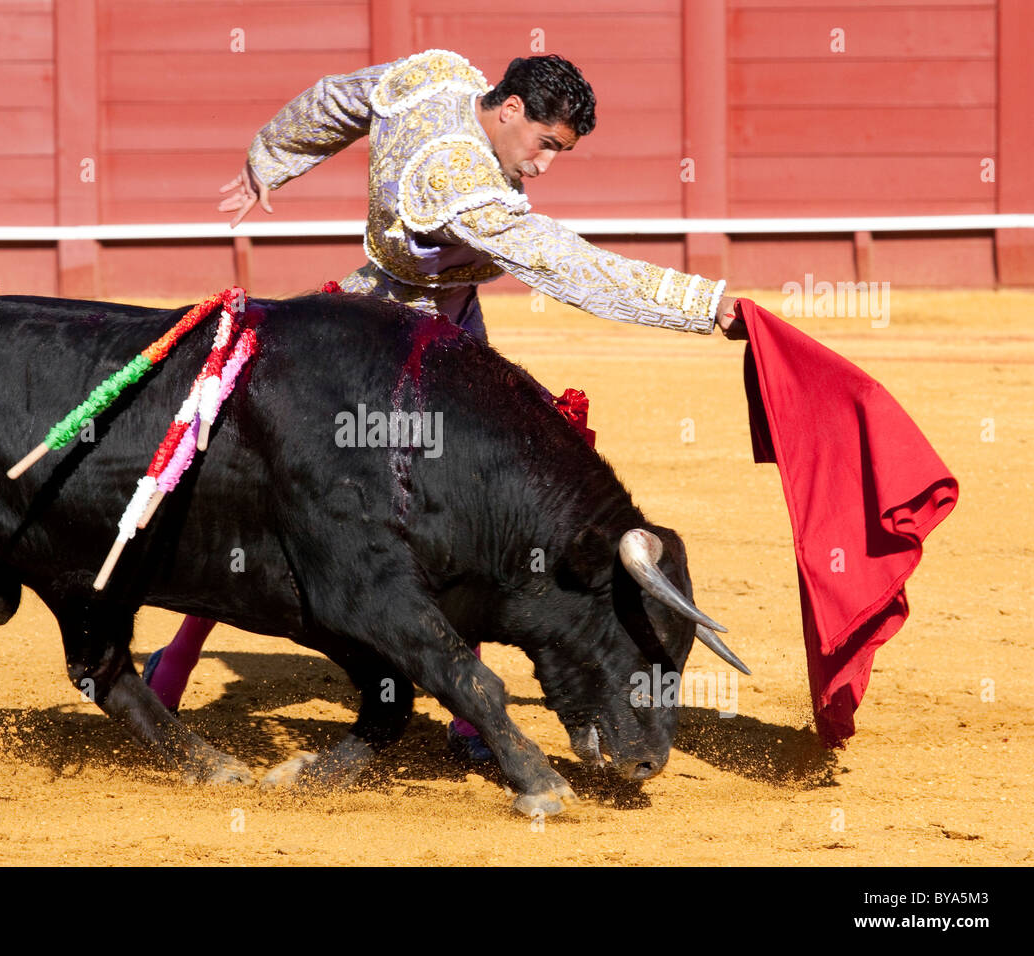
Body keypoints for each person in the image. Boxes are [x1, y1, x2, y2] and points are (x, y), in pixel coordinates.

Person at [143, 49, 744, 762]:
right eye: (545, 143)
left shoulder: (437, 75)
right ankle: (178, 660)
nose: (546, 165)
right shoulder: (455, 179)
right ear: (511, 108)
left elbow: (338, 99)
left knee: (483, 509)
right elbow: (568, 264)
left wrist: (271, 155)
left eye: (562, 151)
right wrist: (702, 303)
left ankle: (464, 716)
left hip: (447, 327)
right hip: (381, 344)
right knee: (292, 502)